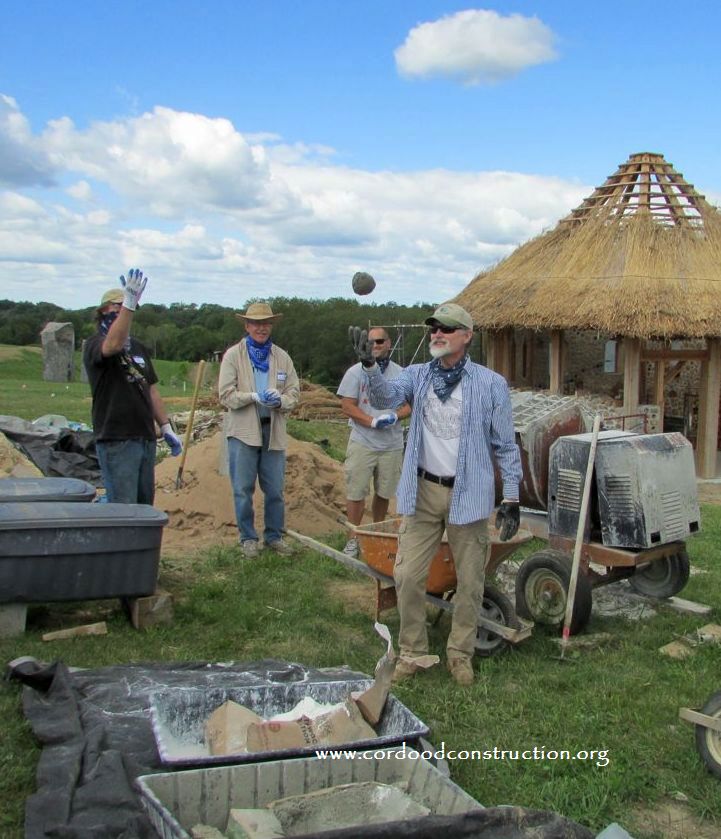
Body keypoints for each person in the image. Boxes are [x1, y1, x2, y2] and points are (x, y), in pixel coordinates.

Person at [349, 302, 522, 686]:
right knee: (407, 575)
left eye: (446, 328)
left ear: (467, 336)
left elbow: (506, 446)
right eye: (433, 329)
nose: (437, 334)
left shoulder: (490, 384)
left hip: (469, 494)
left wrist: (511, 498)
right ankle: (412, 652)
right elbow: (385, 398)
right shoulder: (418, 375)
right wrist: (369, 367)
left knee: (471, 582)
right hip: (423, 491)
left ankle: (460, 654)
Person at [83, 269, 183, 504]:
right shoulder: (95, 344)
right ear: (103, 311)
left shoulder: (137, 347)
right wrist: (128, 304)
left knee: (144, 506)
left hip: (144, 436)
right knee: (124, 508)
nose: (122, 310)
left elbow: (151, 388)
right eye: (116, 306)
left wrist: (165, 426)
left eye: (126, 305)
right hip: (117, 438)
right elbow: (113, 345)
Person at [219, 301, 300, 558]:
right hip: (242, 432)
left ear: (271, 325)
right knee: (243, 489)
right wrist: (253, 397)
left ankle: (274, 536)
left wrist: (280, 401)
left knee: (275, 489)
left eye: (266, 323)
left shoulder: (282, 357)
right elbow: (226, 395)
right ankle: (248, 538)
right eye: (256, 323)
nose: (261, 328)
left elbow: (294, 393)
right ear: (247, 325)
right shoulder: (234, 355)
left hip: (272, 430)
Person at [337, 327, 411, 558]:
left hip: (391, 444)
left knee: (384, 492)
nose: (375, 345)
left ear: (389, 343)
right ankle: (353, 538)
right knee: (356, 491)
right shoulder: (355, 372)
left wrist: (395, 416)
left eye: (380, 341)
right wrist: (371, 421)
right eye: (370, 342)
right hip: (363, 441)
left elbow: (409, 405)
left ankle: (377, 534)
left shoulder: (401, 373)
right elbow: (347, 405)